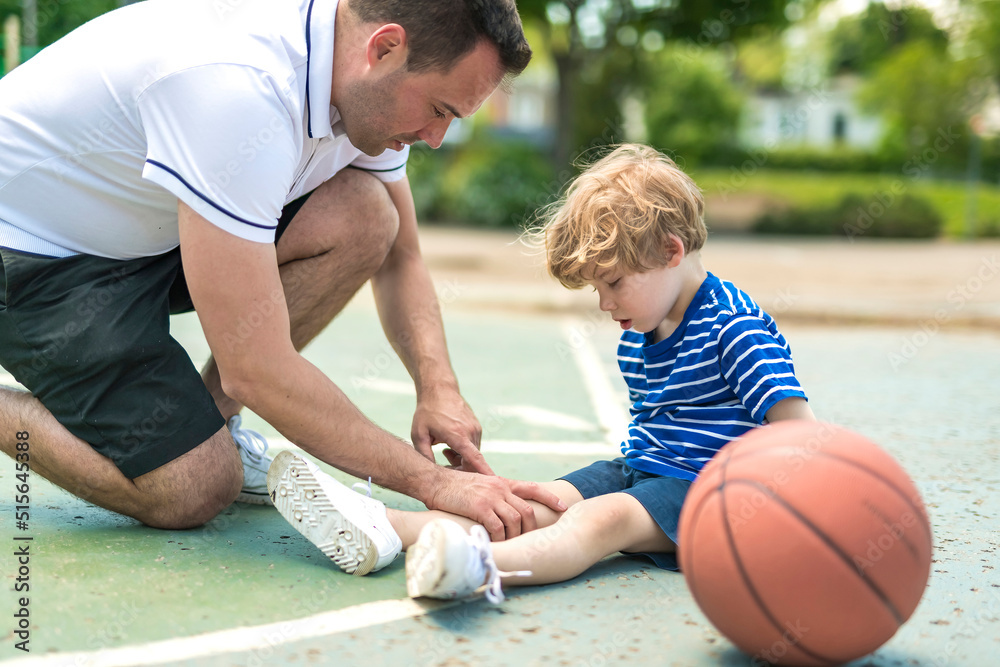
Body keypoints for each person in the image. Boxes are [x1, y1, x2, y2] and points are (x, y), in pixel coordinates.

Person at [0, 0, 565, 536]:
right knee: (193, 487)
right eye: (439, 109)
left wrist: (438, 389)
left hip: (142, 229)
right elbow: (255, 367)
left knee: (368, 215)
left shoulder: (365, 85)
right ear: (385, 48)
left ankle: (208, 423)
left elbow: (401, 255)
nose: (436, 139)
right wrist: (433, 483)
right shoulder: (239, 86)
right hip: (35, 257)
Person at [266, 143, 817, 589]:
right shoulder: (640, 332)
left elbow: (799, 435)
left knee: (601, 522)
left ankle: (479, 569)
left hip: (707, 493)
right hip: (643, 471)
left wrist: (776, 525)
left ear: (671, 252)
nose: (605, 304)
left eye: (614, 283)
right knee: (530, 503)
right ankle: (384, 527)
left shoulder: (735, 330)